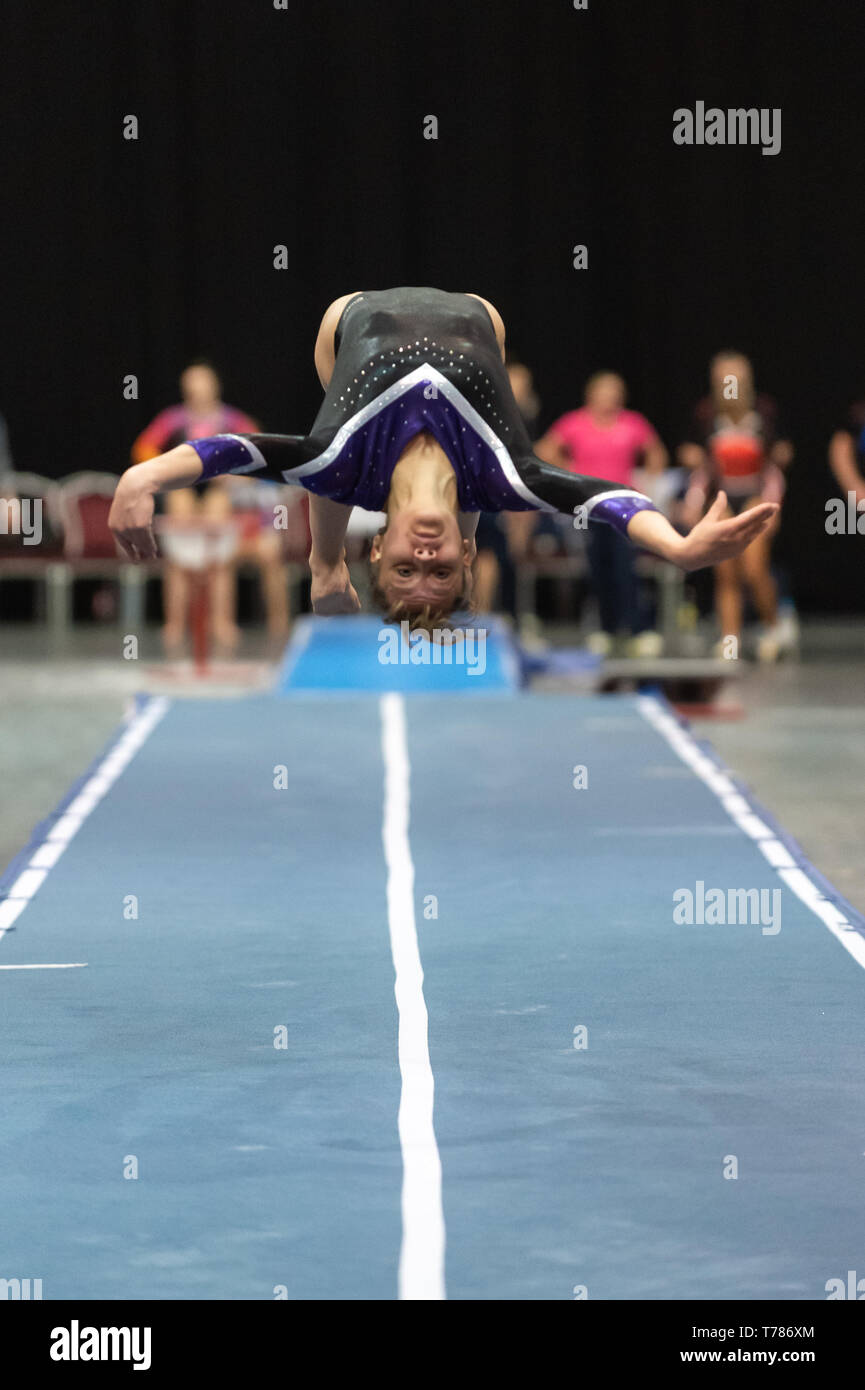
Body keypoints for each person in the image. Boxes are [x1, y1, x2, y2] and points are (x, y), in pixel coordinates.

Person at [109, 289, 778, 629]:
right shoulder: (503, 474)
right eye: (440, 568)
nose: (424, 554)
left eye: (406, 567)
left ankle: (324, 561)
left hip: (350, 321)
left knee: (324, 460)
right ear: (465, 554)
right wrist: (678, 547)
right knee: (341, 467)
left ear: (382, 553)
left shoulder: (343, 462)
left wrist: (144, 474)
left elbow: (236, 450)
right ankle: (328, 562)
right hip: (478, 318)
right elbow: (604, 499)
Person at [131, 362, 290, 650]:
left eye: (204, 385)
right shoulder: (173, 419)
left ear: (214, 387)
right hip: (186, 496)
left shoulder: (233, 420)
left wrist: (237, 475)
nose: (199, 392)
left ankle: (223, 622)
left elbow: (262, 451)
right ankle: (176, 625)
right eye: (193, 386)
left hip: (223, 505)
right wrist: (164, 472)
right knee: (179, 553)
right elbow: (143, 448)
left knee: (218, 548)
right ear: (186, 389)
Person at [531, 371, 668, 655]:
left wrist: (651, 483)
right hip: (587, 507)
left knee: (624, 565)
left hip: (622, 507)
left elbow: (656, 453)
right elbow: (543, 449)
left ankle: (637, 630)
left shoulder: (633, 423)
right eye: (604, 392)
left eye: (615, 392)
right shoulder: (575, 422)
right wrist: (566, 473)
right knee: (596, 566)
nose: (610, 398)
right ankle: (605, 629)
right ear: (591, 395)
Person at [678, 350, 793, 661]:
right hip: (722, 498)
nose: (729, 384)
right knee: (726, 574)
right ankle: (731, 641)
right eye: (722, 378)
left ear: (747, 380)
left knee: (755, 570)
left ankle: (773, 629)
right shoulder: (706, 415)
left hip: (757, 495)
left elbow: (777, 462)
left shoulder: (764, 412)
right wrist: (693, 501)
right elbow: (697, 463)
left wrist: (773, 506)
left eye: (735, 378)